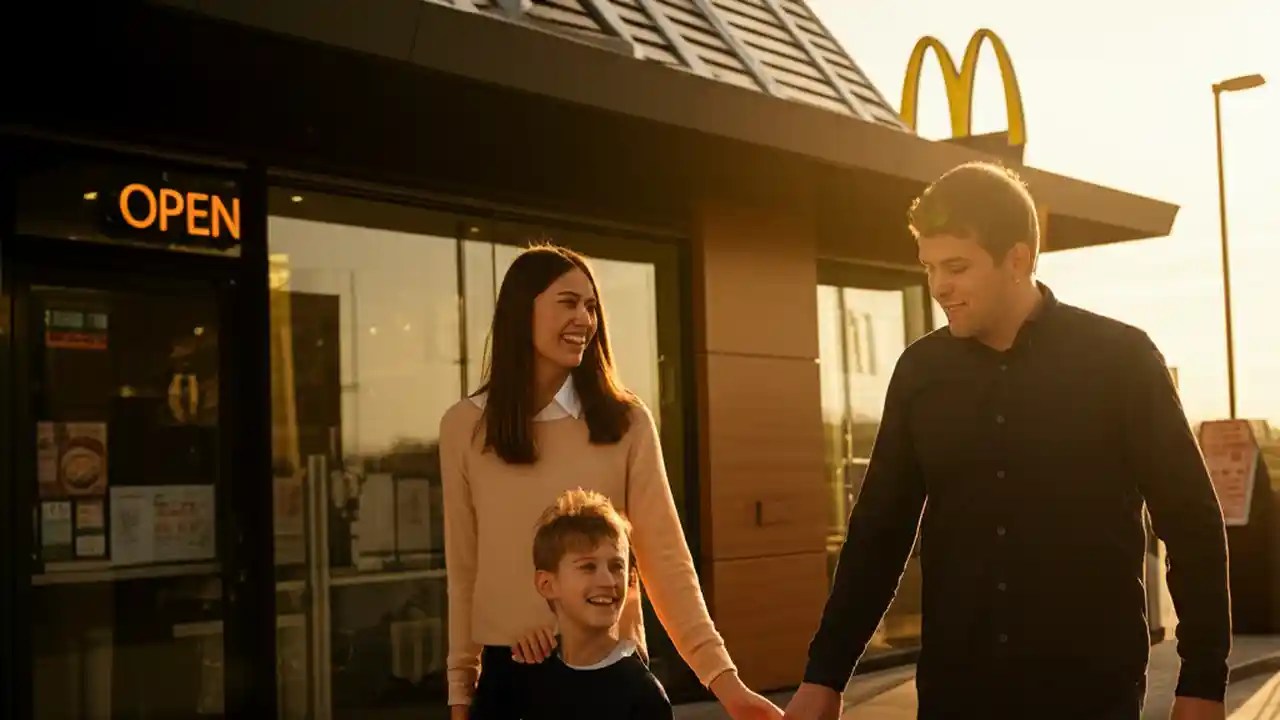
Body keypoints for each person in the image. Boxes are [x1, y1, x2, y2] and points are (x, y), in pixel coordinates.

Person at [784, 162, 1231, 720]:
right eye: (929, 267)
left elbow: (1190, 524)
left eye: (956, 267)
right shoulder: (921, 373)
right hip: (956, 695)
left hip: (1088, 694)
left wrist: (1203, 682)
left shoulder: (1119, 360)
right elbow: (878, 534)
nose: (939, 286)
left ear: (1017, 260)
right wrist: (824, 676)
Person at [440, 243, 780, 719]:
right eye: (567, 303)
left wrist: (725, 682)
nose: (584, 318)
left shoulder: (625, 423)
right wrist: (461, 691)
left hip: (610, 684)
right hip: (509, 685)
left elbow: (666, 560)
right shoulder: (464, 427)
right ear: (523, 311)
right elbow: (464, 569)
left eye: (591, 306)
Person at [521, 487, 674, 719]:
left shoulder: (642, 693)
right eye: (588, 566)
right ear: (547, 584)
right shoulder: (531, 678)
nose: (607, 580)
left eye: (616, 566)